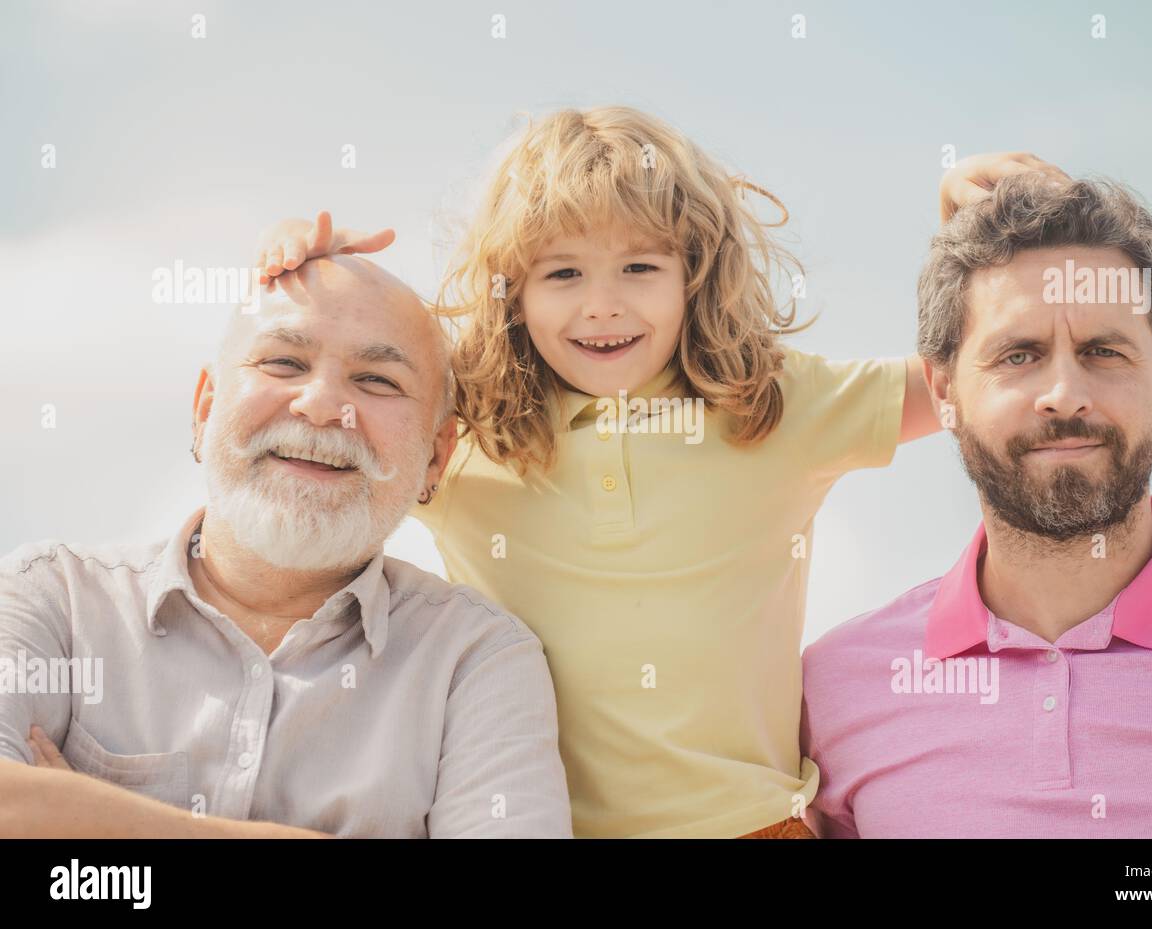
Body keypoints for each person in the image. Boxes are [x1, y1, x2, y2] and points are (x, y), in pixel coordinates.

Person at [256, 104, 1068, 837]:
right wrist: (311, 278)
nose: (602, 306)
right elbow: (328, 412)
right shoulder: (470, 435)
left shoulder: (774, 404)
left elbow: (973, 383)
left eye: (640, 268)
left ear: (694, 276)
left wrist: (991, 249)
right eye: (562, 273)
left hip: (754, 827)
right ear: (513, 295)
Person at [0, 255, 572, 838]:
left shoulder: (477, 663)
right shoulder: (53, 599)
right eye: (283, 362)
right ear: (205, 408)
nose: (323, 406)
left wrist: (91, 821)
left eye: (377, 380)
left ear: (436, 456)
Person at [801, 175, 1152, 838]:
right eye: (1019, 354)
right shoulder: (833, 688)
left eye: (1103, 350)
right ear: (943, 389)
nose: (1064, 394)